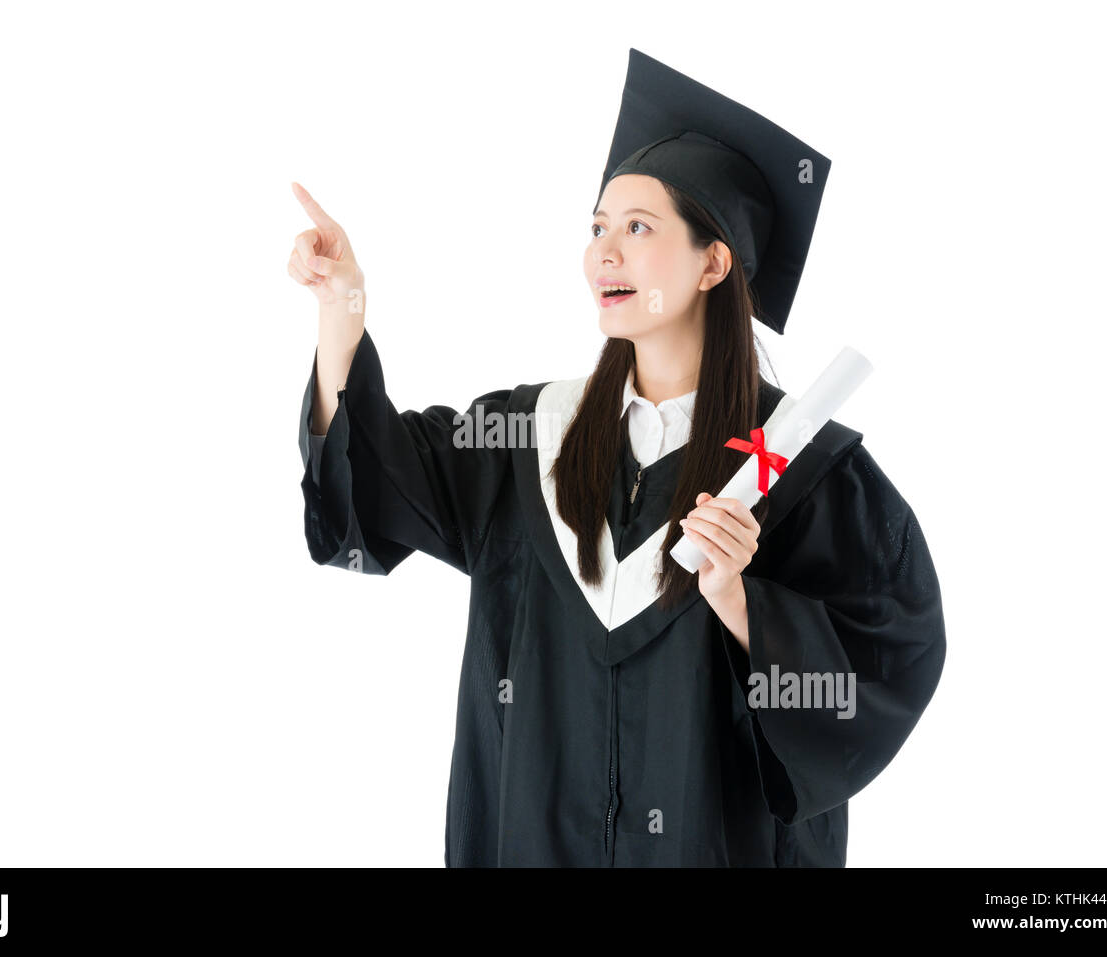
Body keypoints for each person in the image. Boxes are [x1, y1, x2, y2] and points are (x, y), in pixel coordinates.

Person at [290, 49, 946, 867]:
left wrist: (745, 605)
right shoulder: (524, 438)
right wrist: (339, 309)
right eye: (598, 227)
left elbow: (887, 664)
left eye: (638, 228)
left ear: (714, 262)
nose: (605, 252)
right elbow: (372, 487)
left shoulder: (808, 474)